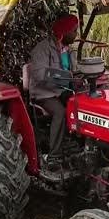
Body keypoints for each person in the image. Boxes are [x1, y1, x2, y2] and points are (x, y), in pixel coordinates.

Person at [28, 14, 79, 163]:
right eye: (74, 31)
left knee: (81, 105)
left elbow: (74, 72)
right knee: (60, 112)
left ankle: (77, 145)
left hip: (63, 91)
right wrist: (65, 76)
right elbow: (39, 74)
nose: (76, 34)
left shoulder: (69, 51)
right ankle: (53, 155)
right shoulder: (42, 49)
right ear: (64, 32)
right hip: (44, 93)